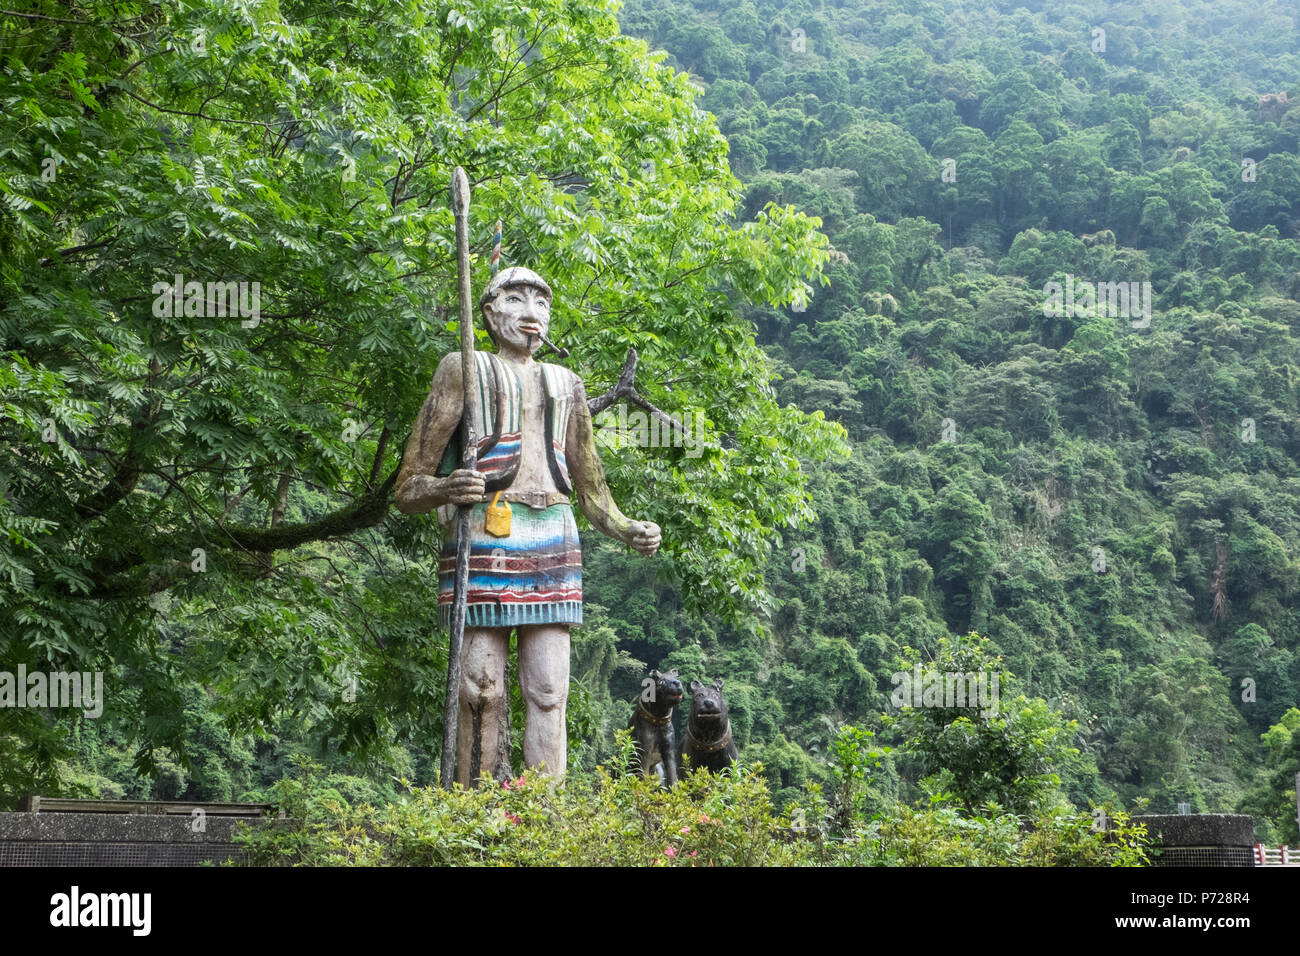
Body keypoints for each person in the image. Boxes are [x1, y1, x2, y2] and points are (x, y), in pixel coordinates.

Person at [395, 266, 661, 785]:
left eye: (541, 303)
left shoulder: (567, 384)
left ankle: (544, 822)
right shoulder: (464, 369)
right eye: (515, 299)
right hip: (484, 535)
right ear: (490, 313)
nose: (530, 313)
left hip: (553, 539)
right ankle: (473, 816)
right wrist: (448, 487)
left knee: (548, 691)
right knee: (478, 689)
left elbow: (591, 490)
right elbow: (408, 486)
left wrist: (627, 527)